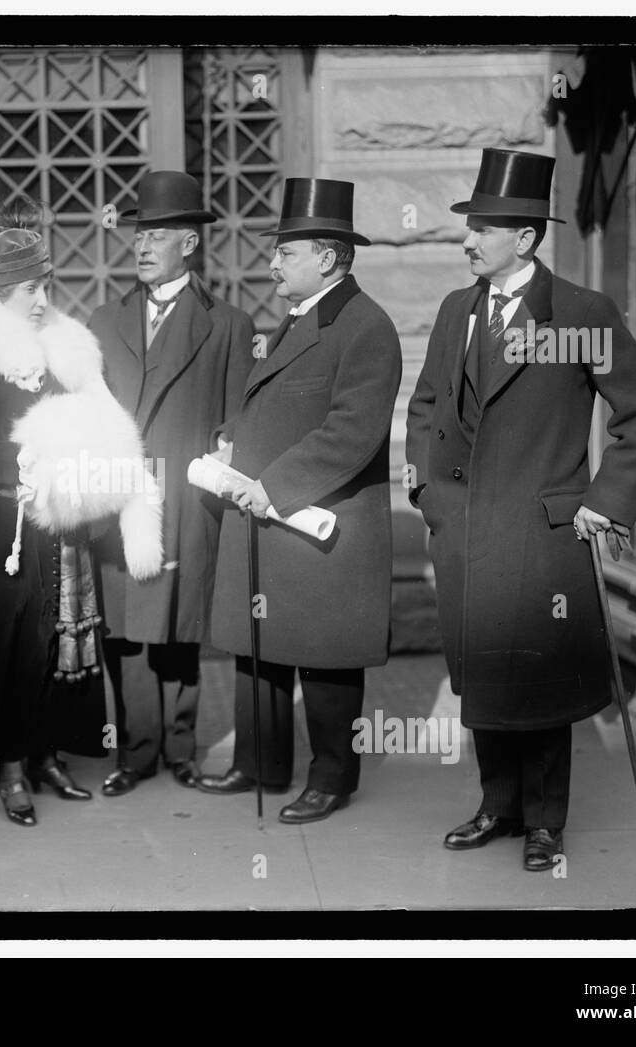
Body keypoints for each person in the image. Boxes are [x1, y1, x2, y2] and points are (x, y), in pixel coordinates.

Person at [405, 148, 636, 871]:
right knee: (483, 674)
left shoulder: (581, 313)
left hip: (541, 532)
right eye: (469, 226)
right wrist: (428, 492)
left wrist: (605, 503)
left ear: (525, 238)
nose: (468, 240)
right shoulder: (456, 309)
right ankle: (499, 805)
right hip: (464, 529)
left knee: (542, 681)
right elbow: (427, 404)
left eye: (483, 229)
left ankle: (545, 822)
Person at [0, 199, 163, 826]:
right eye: (28, 290)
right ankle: (10, 765)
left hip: (62, 519)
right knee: (12, 643)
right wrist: (24, 457)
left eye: (45, 286)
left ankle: (47, 753)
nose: (41, 300)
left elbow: (98, 423)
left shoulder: (66, 352)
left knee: (55, 636)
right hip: (4, 525)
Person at [199, 178, 401, 825]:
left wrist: (272, 485)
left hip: (319, 521)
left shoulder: (366, 327)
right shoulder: (301, 317)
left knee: (324, 655)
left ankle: (332, 778)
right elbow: (274, 404)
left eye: (285, 252)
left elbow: (351, 432)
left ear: (328, 257)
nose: (272, 264)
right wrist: (232, 440)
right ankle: (259, 763)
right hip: (272, 515)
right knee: (261, 647)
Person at [88, 171, 256, 796]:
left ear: (189, 243)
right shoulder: (103, 320)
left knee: (180, 626)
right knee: (126, 629)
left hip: (184, 498)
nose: (142, 245)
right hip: (118, 494)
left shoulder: (229, 325)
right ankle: (135, 752)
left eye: (157, 236)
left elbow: (236, 418)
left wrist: (224, 454)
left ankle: (182, 748)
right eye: (138, 234)